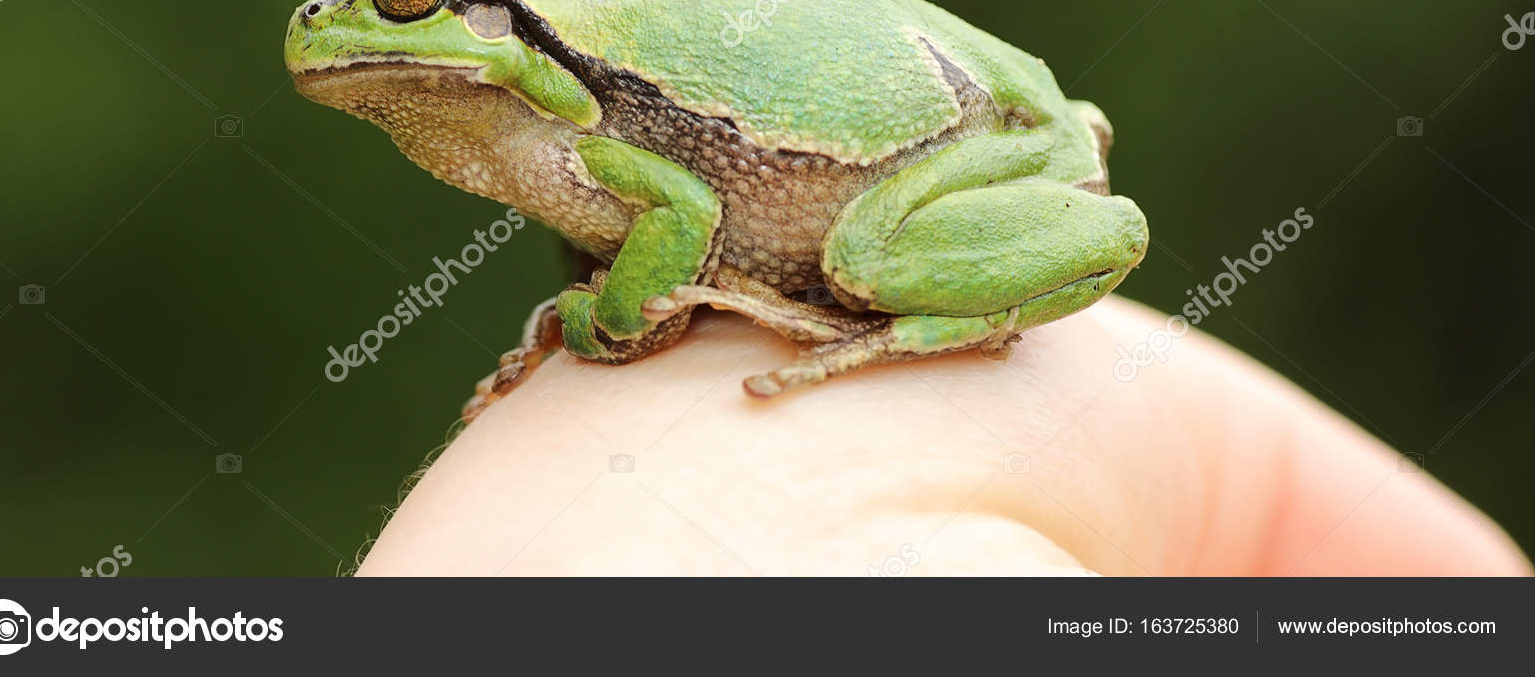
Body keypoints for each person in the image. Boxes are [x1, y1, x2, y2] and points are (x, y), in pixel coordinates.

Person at [356, 299, 1530, 576]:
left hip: (913, 171)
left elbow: (684, 207)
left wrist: (608, 324)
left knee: (864, 259)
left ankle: (898, 318)